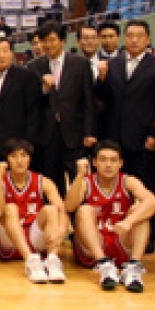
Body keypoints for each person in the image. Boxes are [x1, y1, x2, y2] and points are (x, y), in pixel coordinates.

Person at [97, 20, 155, 253]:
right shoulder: (113, 64)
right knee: (119, 188)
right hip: (115, 139)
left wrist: (154, 134)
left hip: (143, 139)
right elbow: (104, 100)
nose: (134, 40)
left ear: (148, 39)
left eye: (139, 36)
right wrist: (100, 80)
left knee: (146, 188)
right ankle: (116, 230)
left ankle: (150, 233)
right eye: (130, 35)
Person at [65, 142, 155, 292]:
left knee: (140, 211)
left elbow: (152, 201)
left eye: (113, 160)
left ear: (121, 163)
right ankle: (104, 264)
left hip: (121, 241)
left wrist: (129, 221)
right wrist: (80, 175)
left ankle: (134, 267)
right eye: (103, 160)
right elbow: (69, 206)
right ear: (94, 162)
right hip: (94, 246)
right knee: (84, 210)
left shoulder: (128, 181)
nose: (108, 165)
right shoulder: (86, 182)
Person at [28, 21, 97, 196]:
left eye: (52, 40)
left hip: (74, 134)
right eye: (44, 41)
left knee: (79, 183)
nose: (48, 45)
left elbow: (88, 100)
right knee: (51, 185)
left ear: (62, 40)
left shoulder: (80, 64)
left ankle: (79, 220)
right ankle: (55, 221)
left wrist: (89, 132)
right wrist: (44, 89)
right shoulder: (34, 66)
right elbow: (30, 103)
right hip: (47, 136)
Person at [0, 139, 68, 283]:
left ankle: (52, 261)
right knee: (10, 208)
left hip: (33, 235)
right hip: (7, 239)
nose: (19, 161)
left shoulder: (44, 181)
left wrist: (61, 230)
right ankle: (30, 261)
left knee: (51, 209)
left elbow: (62, 210)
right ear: (7, 159)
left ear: (29, 159)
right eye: (13, 156)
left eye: (23, 155)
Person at [0, 37, 41, 181]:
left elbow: (33, 112)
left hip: (17, 143)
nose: (1, 55)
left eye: (5, 51)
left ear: (12, 54)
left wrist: (27, 143)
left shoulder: (26, 76)